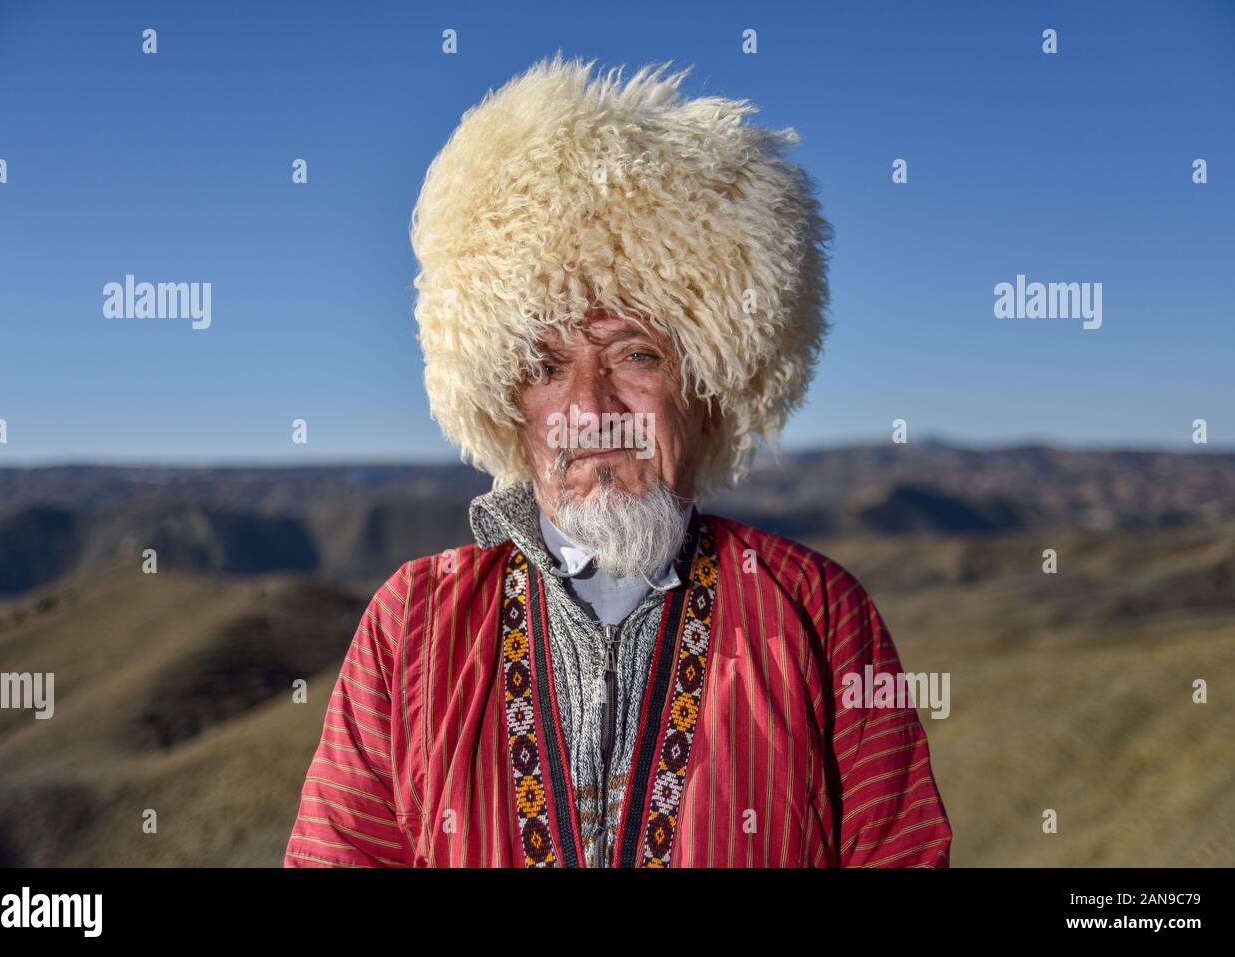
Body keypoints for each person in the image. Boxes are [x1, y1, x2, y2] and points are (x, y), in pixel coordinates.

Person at [284, 52, 952, 868]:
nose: (592, 410)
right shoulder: (411, 626)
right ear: (506, 406)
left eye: (635, 354)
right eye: (546, 367)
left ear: (704, 384)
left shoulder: (819, 614)